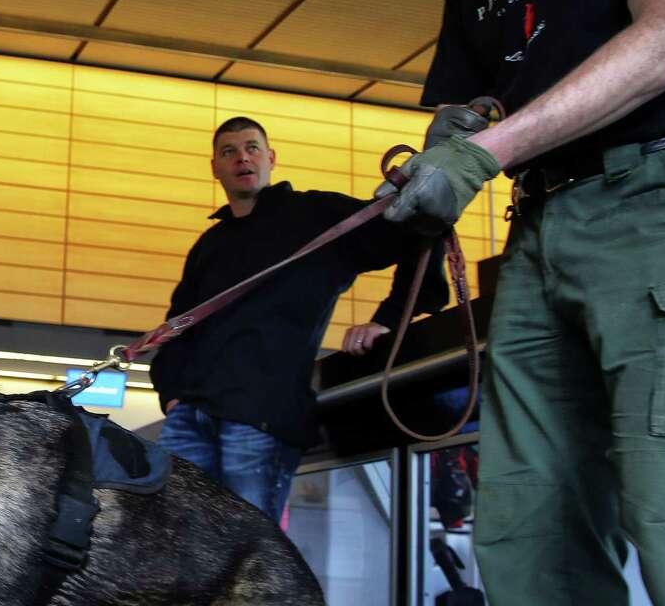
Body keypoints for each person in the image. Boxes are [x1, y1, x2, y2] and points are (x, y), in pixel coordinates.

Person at [386, 0, 665, 603]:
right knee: (529, 522)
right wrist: (454, 138)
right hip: (539, 229)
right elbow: (482, 107)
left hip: (657, 207)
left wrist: (484, 153)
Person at [150, 116, 448, 519]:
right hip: (190, 418)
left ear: (271, 158)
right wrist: (171, 393)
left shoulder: (314, 214)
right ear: (215, 168)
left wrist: (390, 318)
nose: (242, 157)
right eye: (229, 152)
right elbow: (176, 325)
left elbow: (419, 226)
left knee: (249, 557)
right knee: (173, 544)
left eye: (252, 148)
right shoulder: (211, 242)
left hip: (262, 418)